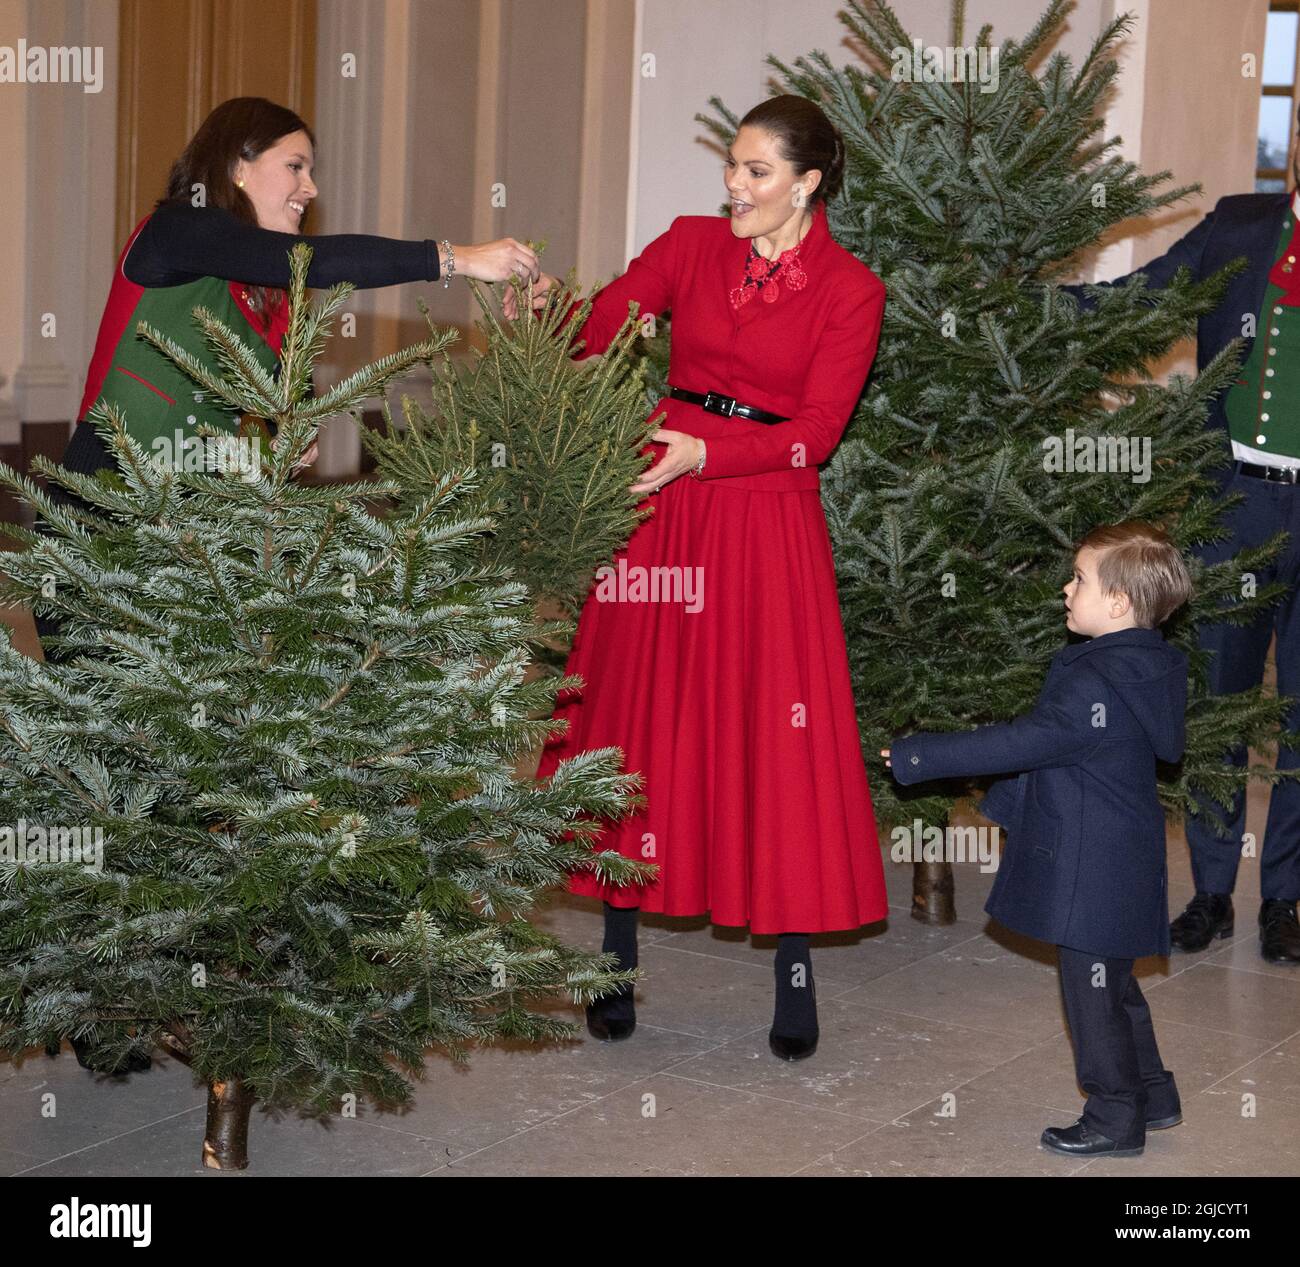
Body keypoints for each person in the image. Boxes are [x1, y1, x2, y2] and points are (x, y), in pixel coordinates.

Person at [40, 96, 541, 1075]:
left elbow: (259, 404)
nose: (309, 193)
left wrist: (285, 425)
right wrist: (458, 259)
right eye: (295, 168)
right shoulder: (179, 234)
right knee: (115, 776)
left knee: (168, 780)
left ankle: (124, 1000)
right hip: (100, 532)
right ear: (237, 162)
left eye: (312, 175)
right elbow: (313, 262)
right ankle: (90, 996)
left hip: (186, 555)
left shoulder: (251, 300)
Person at [518, 95, 889, 1062]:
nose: (734, 185)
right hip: (661, 500)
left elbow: (816, 434)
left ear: (808, 184)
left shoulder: (851, 289)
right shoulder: (690, 243)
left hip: (763, 513)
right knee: (638, 721)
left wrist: (708, 457)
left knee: (773, 733)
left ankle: (795, 966)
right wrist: (542, 311)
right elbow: (600, 330)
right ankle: (615, 954)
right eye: (732, 165)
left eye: (757, 172)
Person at [1060, 112, 1300, 965]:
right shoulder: (1242, 223)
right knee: (1221, 700)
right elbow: (1144, 297)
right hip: (1237, 497)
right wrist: (1029, 305)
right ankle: (1208, 891)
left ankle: (1286, 899)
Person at [885, 521, 1192, 1156]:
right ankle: (1154, 1095)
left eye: (1079, 579)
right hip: (1123, 855)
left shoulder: (1094, 683)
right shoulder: (1147, 663)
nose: (1065, 589)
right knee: (1117, 984)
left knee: (1093, 994)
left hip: (1093, 864)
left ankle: (1113, 1116)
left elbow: (1021, 741)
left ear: (1118, 604)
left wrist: (921, 756)